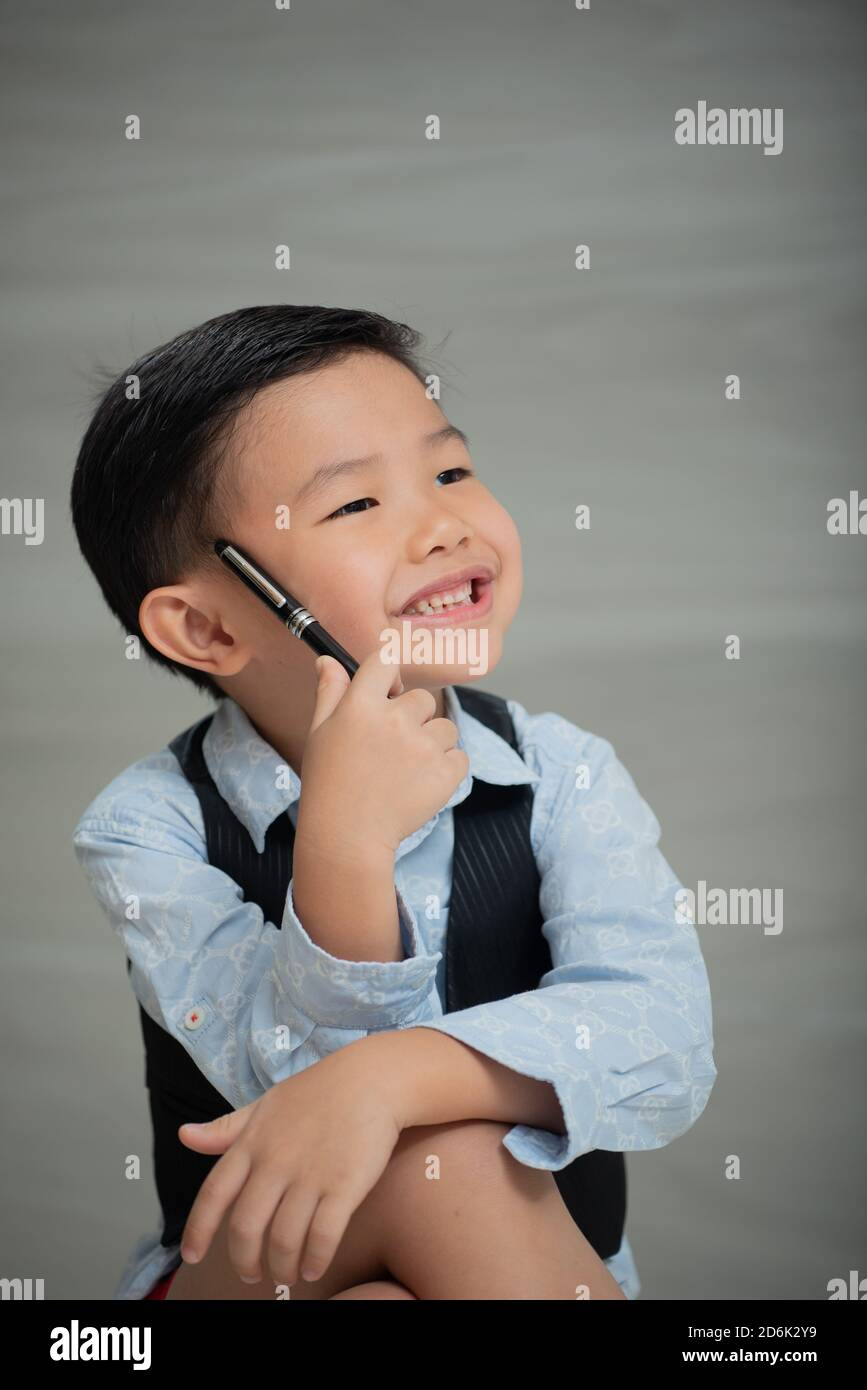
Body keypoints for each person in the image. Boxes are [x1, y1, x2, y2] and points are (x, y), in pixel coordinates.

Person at [70, 304, 717, 1300]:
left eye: (450, 472)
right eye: (357, 506)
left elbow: (663, 1036)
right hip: (256, 1274)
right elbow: (291, 1112)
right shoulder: (150, 825)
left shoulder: (562, 772)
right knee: (439, 1164)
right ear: (205, 625)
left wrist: (401, 1073)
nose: (446, 524)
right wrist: (343, 846)